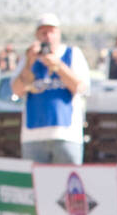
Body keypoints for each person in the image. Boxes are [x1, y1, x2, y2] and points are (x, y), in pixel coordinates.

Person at [11, 13, 90, 164]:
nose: (47, 37)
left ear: (58, 33)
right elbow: (17, 90)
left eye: (51, 32)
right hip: (33, 135)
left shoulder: (72, 54)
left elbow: (81, 87)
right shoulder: (28, 58)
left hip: (66, 134)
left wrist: (58, 66)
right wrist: (29, 62)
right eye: (43, 32)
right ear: (37, 35)